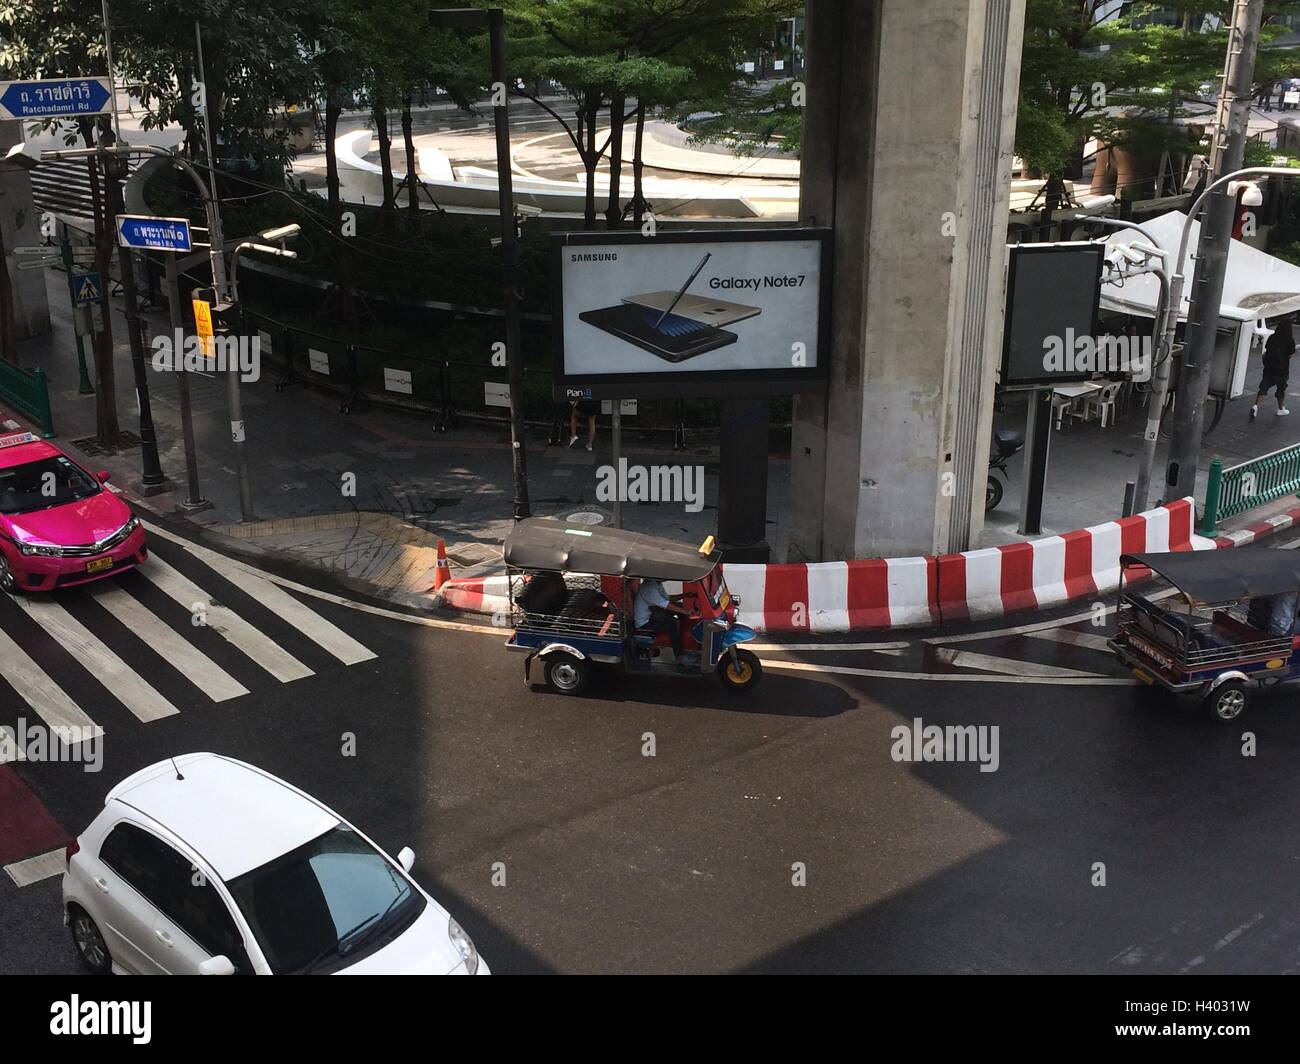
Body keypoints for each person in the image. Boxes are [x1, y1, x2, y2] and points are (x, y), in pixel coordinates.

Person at [633, 577, 695, 663]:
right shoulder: (648, 587)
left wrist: (685, 595)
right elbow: (665, 604)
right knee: (673, 622)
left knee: (679, 606)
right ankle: (679, 656)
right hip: (645, 622)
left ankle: (687, 639)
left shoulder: (656, 584)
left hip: (653, 613)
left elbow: (667, 599)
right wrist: (685, 611)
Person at [1251, 317, 1295, 420]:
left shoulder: (1272, 337)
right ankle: (1281, 409)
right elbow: (1291, 355)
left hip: (1269, 368)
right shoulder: (1289, 340)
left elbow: (1267, 349)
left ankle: (1256, 406)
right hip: (1282, 370)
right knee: (1281, 389)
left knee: (1263, 388)